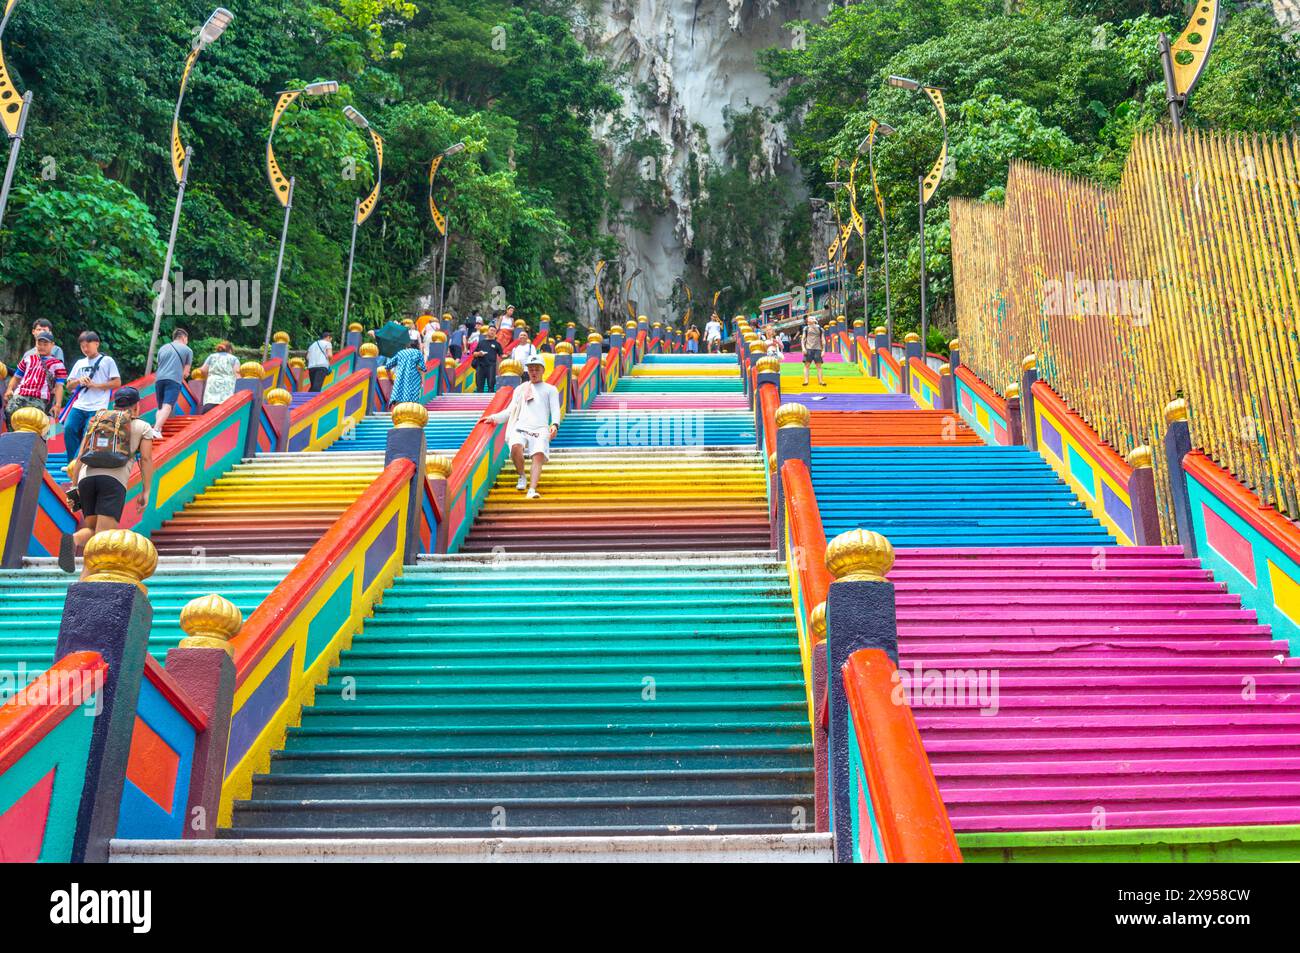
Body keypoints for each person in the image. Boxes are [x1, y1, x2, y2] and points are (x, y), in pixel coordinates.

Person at [59, 386, 153, 575]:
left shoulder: (97, 422)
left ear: (115, 403)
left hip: (87, 479)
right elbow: (146, 459)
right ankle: (84, 582)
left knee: (93, 530)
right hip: (113, 482)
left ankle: (75, 539)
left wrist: (75, 486)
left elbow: (80, 457)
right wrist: (146, 491)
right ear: (137, 407)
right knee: (103, 539)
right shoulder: (142, 426)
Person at [487, 354, 560, 500]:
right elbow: (510, 410)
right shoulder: (521, 389)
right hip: (521, 426)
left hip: (540, 428)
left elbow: (555, 409)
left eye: (536, 369)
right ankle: (522, 476)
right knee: (515, 446)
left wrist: (555, 425)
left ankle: (532, 489)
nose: (533, 372)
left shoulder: (550, 389)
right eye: (531, 369)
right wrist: (493, 418)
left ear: (543, 370)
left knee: (538, 455)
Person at [62, 332, 122, 461]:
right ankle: (72, 462)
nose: (85, 349)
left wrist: (96, 385)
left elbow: (117, 382)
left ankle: (79, 462)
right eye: (82, 346)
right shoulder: (80, 363)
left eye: (87, 346)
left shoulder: (107, 361)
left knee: (88, 434)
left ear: (97, 344)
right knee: (69, 428)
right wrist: (79, 381)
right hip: (79, 404)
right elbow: (68, 386)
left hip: (98, 406)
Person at [5, 332, 66, 428]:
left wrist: (58, 404)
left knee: (34, 424)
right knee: (9, 414)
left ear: (52, 345)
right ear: (35, 343)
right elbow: (16, 377)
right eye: (39, 343)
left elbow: (59, 386)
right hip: (20, 395)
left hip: (39, 399)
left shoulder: (58, 364)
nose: (42, 346)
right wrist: (9, 389)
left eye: (45, 344)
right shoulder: (27, 359)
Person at [153, 327, 193, 437]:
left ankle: (158, 429)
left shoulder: (162, 348)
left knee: (160, 407)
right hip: (173, 380)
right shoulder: (187, 350)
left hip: (159, 379)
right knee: (168, 405)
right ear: (184, 337)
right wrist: (184, 374)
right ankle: (156, 429)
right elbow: (185, 372)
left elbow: (160, 364)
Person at [383, 335, 427, 404]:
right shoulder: (418, 353)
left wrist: (391, 379)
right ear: (417, 346)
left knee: (398, 400)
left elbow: (387, 366)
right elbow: (422, 369)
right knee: (412, 403)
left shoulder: (400, 353)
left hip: (400, 379)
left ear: (407, 346)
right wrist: (423, 382)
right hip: (414, 380)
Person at [199, 341, 239, 412]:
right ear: (230, 350)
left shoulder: (211, 357)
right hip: (227, 383)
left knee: (210, 403)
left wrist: (208, 377)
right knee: (225, 405)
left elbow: (203, 370)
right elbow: (237, 373)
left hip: (212, 382)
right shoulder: (234, 359)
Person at [800, 314, 827, 387]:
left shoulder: (820, 329)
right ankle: (806, 381)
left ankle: (821, 381)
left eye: (811, 319)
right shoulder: (806, 328)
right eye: (809, 319)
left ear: (814, 320)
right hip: (808, 348)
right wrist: (803, 348)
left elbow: (823, 339)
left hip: (817, 349)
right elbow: (803, 339)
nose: (809, 320)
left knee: (819, 366)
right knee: (807, 365)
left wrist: (823, 350)